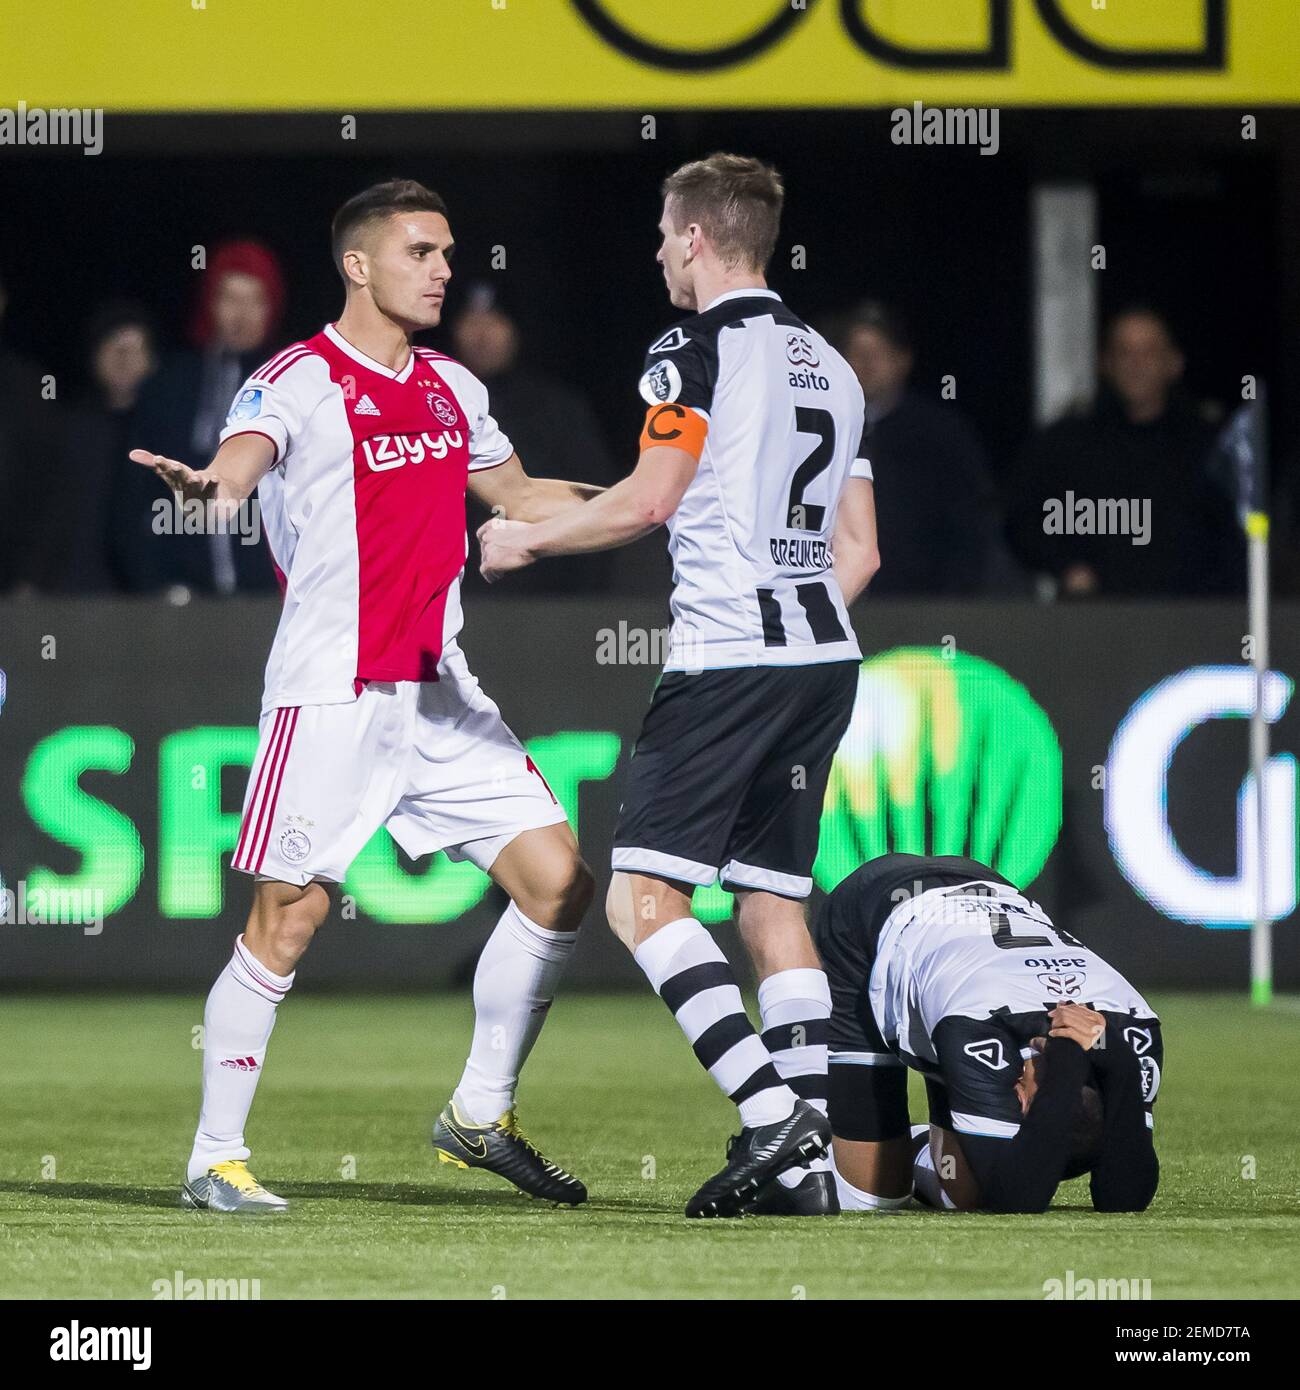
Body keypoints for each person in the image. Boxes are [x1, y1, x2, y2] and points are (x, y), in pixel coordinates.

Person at [131, 179, 604, 1214]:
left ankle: (478, 1112)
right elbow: (236, 470)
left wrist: (657, 496)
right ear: (359, 264)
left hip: (441, 693)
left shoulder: (450, 385)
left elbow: (521, 497)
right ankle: (215, 1156)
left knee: (560, 882)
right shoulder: (296, 379)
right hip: (332, 691)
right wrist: (206, 489)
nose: (443, 269)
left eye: (446, 253)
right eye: (423, 252)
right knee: (287, 921)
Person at [479, 153, 881, 1218]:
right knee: (770, 906)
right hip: (821, 659)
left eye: (665, 232)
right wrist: (789, 610)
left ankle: (771, 1116)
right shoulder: (831, 364)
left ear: (697, 238)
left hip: (729, 664)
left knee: (640, 898)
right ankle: (810, 1174)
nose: (658, 249)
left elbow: (651, 500)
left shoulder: (687, 347)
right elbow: (861, 550)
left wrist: (528, 543)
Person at [816, 853, 1162, 1214]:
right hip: (876, 909)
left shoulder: (1130, 1045)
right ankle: (789, 1146)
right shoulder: (1130, 1026)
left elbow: (1123, 1198)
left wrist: (1110, 1063)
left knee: (968, 1190)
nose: (1013, 1090)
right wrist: (1061, 1071)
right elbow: (1012, 1197)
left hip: (972, 929)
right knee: (872, 1197)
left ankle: (913, 1144)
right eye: (1021, 1100)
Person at [1006, 306, 1242, 598]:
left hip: (1190, 624)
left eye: (1149, 353)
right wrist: (1065, 567)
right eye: (1124, 352)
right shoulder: (1065, 443)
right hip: (1094, 622)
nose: (1136, 364)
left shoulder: (1211, 446)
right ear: (1105, 363)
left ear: (1174, 363)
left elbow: (1238, 539)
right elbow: (1021, 518)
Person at [123, 239, 287, 595]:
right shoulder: (170, 385)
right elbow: (137, 493)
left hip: (270, 597)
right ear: (210, 303)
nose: (241, 314)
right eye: (230, 298)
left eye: (254, 300)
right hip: (181, 596)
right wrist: (153, 581)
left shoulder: (289, 383)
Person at [451, 285, 617, 593]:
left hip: (548, 597)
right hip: (460, 597)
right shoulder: (435, 404)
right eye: (471, 320)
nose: (482, 335)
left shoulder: (558, 409)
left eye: (495, 321)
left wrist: (586, 598)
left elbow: (596, 504)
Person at [840, 301, 1005, 596]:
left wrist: (954, 599)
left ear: (903, 360)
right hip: (845, 603)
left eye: (876, 353)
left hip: (925, 607)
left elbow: (974, 525)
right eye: (857, 353)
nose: (865, 364)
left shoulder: (941, 434)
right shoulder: (825, 425)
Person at [52, 302, 159, 592]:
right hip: (82, 587)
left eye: (135, 349)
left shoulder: (166, 433)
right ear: (94, 356)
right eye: (115, 348)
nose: (124, 359)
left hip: (152, 593)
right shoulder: (68, 431)